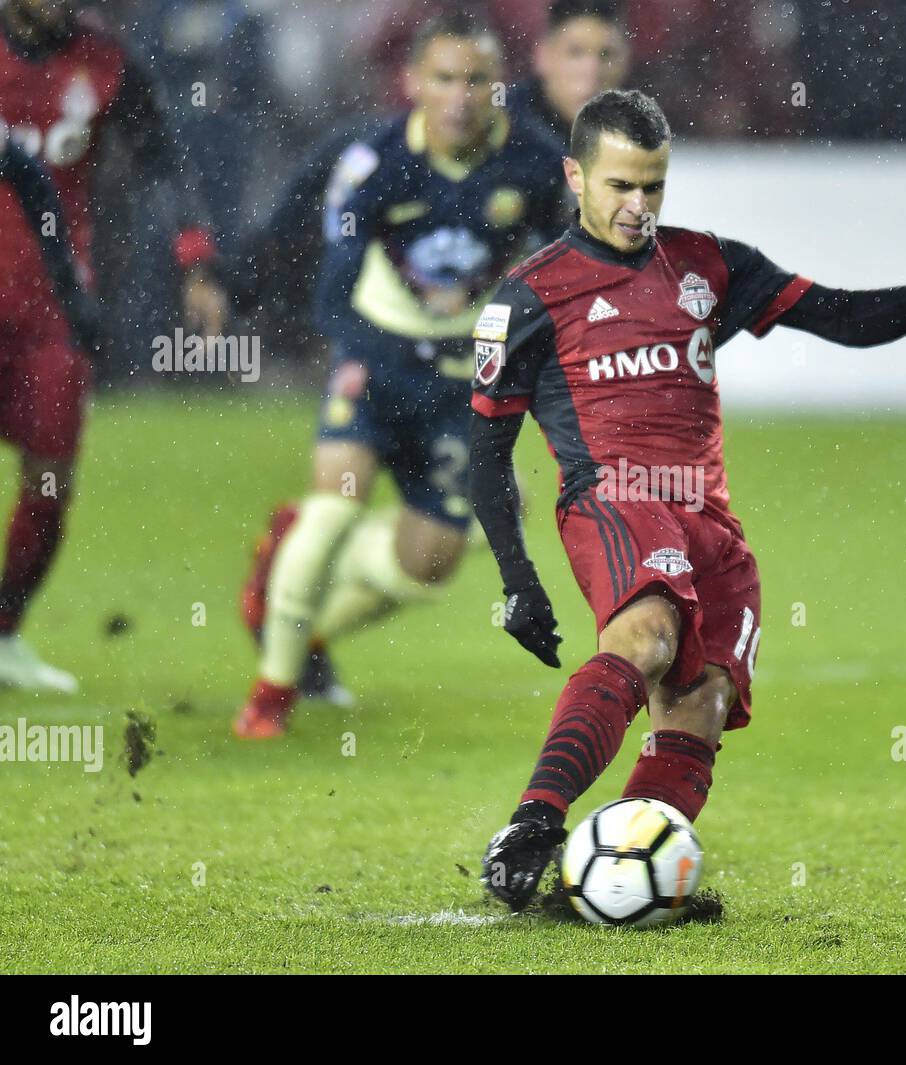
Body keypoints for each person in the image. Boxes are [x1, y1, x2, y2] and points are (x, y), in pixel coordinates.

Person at [469, 89, 906, 909]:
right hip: (615, 499)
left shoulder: (709, 264)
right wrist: (517, 579)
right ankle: (535, 820)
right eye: (619, 186)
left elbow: (834, 314)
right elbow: (487, 453)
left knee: (701, 702)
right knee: (645, 637)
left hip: (709, 519)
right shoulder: (529, 297)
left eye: (653, 187)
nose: (638, 207)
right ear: (575, 175)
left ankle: (609, 885)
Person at [233, 14, 568, 739]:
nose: (459, 95)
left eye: (475, 79)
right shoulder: (375, 161)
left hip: (461, 382)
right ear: (413, 83)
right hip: (379, 361)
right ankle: (271, 694)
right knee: (334, 506)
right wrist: (356, 354)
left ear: (498, 87)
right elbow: (335, 284)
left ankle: (307, 621)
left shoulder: (536, 165)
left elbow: (561, 268)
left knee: (430, 563)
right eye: (444, 78)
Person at [0, 0, 225, 692]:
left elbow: (161, 158)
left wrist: (195, 257)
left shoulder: (106, 62)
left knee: (50, 478)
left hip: (53, 307)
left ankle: (4, 633)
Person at [505, 0, 629, 148]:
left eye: (606, 54)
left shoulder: (643, 136)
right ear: (543, 56)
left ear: (626, 59)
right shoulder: (499, 134)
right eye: (575, 53)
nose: (592, 71)